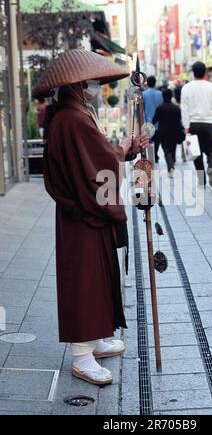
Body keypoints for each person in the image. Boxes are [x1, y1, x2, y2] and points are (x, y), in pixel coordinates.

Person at [32, 50, 149, 386]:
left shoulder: (72, 115)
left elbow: (97, 155)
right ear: (78, 85)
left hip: (84, 211)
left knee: (96, 276)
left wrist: (124, 149)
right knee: (83, 280)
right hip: (81, 214)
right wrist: (121, 150)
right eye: (91, 82)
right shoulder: (72, 119)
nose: (96, 87)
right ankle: (81, 356)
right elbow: (97, 162)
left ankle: (95, 339)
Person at [181, 62, 212, 188]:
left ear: (192, 72)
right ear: (205, 72)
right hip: (208, 123)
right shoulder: (211, 87)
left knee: (196, 152)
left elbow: (184, 109)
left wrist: (186, 126)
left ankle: (202, 180)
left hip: (193, 124)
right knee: (211, 149)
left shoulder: (186, 88)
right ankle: (211, 167)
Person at [152, 88, 184, 178]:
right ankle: (172, 164)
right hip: (175, 131)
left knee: (166, 150)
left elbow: (154, 120)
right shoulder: (176, 108)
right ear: (171, 96)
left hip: (163, 132)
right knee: (173, 149)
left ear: (163, 96)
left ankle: (170, 166)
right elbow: (180, 120)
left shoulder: (160, 108)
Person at [142, 76, 163, 163]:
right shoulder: (160, 94)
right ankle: (156, 155)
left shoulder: (143, 94)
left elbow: (141, 108)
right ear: (155, 83)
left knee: (149, 140)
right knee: (157, 140)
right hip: (158, 121)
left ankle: (151, 157)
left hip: (148, 121)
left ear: (147, 83)